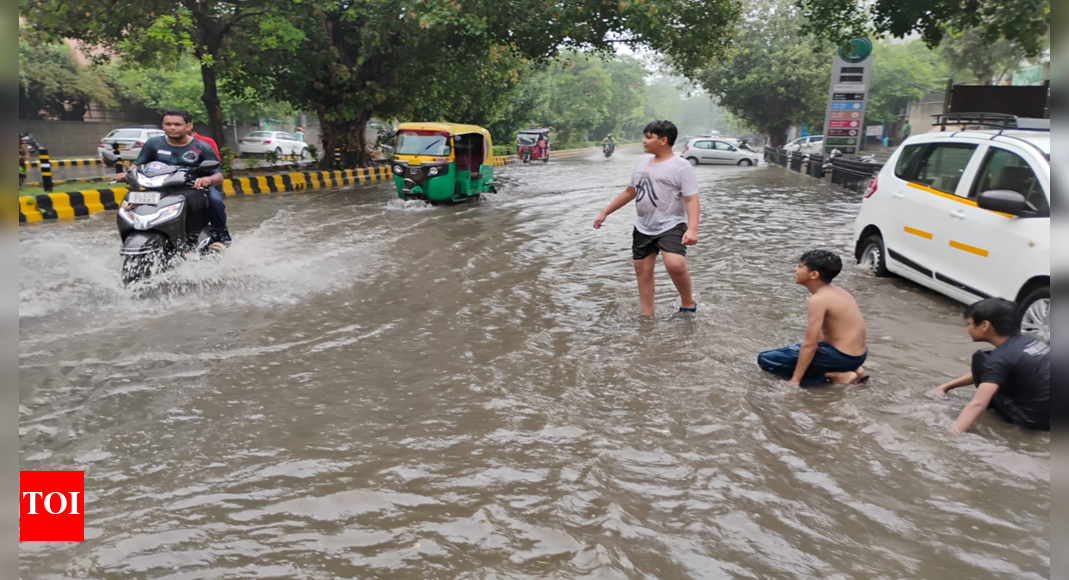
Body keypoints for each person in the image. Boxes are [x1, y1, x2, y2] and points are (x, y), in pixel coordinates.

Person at [593, 120, 699, 317]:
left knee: (675, 264)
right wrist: (605, 212)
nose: (643, 141)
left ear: (663, 140)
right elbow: (630, 192)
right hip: (643, 225)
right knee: (641, 268)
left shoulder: (681, 166)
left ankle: (688, 303)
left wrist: (692, 229)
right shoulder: (641, 163)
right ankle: (647, 315)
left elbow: (691, 199)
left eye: (649, 137)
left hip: (671, 223)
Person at [931, 298, 1049, 434]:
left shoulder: (998, 358)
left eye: (969, 324)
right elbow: (992, 372)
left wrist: (953, 432)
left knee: (982, 357)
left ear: (985, 325)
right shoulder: (1030, 341)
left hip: (1032, 422)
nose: (968, 329)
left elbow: (978, 404)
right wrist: (946, 386)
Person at [114, 109, 230, 243]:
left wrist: (206, 179)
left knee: (215, 201)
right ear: (162, 125)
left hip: (192, 187)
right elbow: (138, 164)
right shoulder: (153, 143)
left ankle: (220, 237)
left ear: (188, 126)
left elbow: (218, 176)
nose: (172, 128)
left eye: (177, 124)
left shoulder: (202, 147)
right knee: (131, 201)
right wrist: (127, 173)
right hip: (159, 186)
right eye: (168, 124)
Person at [758, 251, 869, 386]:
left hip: (842, 357)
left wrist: (795, 380)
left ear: (814, 275)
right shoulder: (839, 291)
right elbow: (825, 335)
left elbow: (810, 344)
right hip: (858, 356)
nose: (795, 268)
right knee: (799, 352)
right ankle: (851, 369)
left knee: (766, 359)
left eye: (800, 266)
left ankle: (838, 376)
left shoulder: (818, 300)